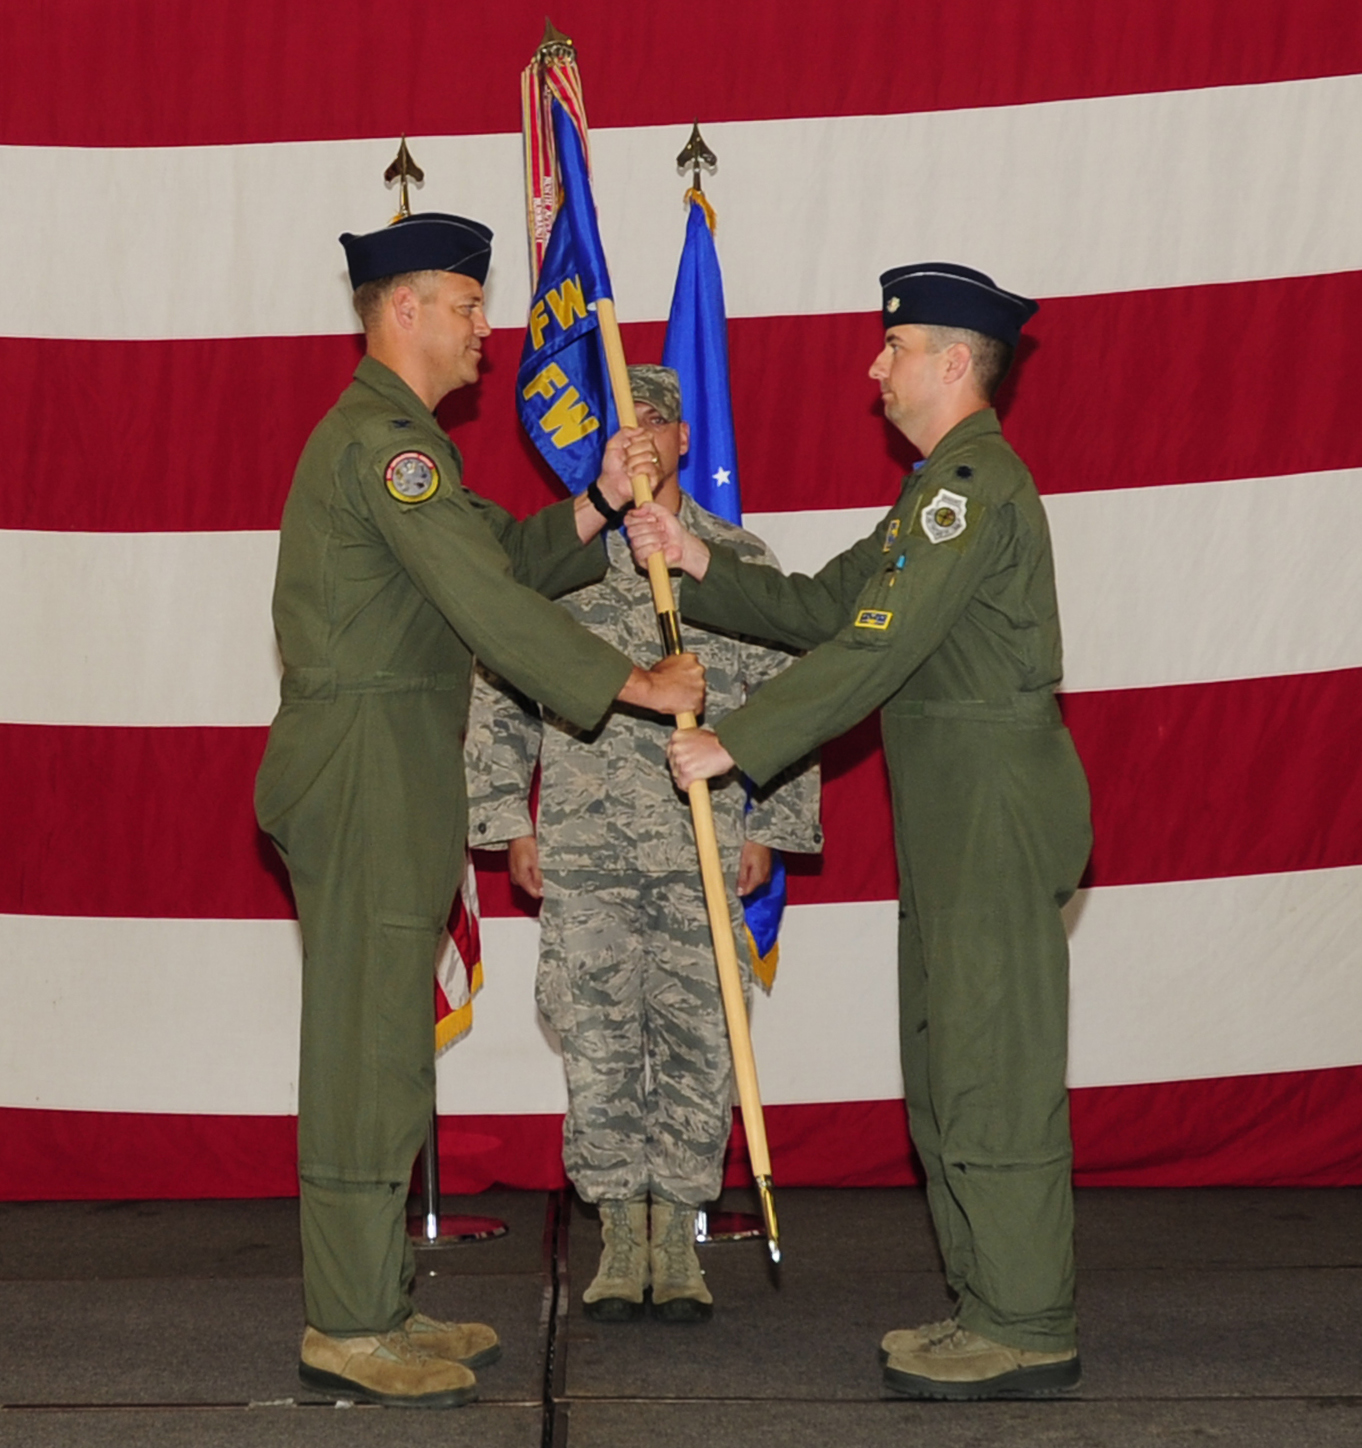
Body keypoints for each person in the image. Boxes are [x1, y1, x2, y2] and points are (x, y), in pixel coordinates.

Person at [253, 213, 704, 1409]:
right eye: (464, 304)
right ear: (404, 311)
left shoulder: (406, 449)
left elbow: (492, 553)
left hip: (386, 763)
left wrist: (601, 505)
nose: (485, 327)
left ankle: (378, 1297)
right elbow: (486, 607)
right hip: (362, 766)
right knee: (363, 1052)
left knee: (389, 1046)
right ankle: (347, 1321)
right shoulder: (385, 447)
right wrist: (631, 683)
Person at [626, 264, 1092, 1399]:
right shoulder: (937, 489)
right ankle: (987, 1299)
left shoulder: (969, 488)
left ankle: (1028, 1320)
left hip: (993, 804)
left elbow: (873, 649)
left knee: (991, 1064)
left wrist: (735, 739)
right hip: (957, 808)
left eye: (895, 350)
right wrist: (698, 563)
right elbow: (829, 604)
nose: (874, 367)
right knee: (947, 1061)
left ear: (950, 364)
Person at [465, 365, 821, 1323]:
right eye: (624, 423)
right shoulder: (567, 559)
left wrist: (774, 826)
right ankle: (623, 1232)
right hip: (584, 843)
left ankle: (684, 1240)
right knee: (599, 1041)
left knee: (702, 1041)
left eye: (657, 419)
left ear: (684, 441)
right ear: (602, 447)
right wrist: (508, 819)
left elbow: (786, 691)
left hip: (703, 841)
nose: (642, 436)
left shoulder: (732, 556)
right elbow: (500, 685)